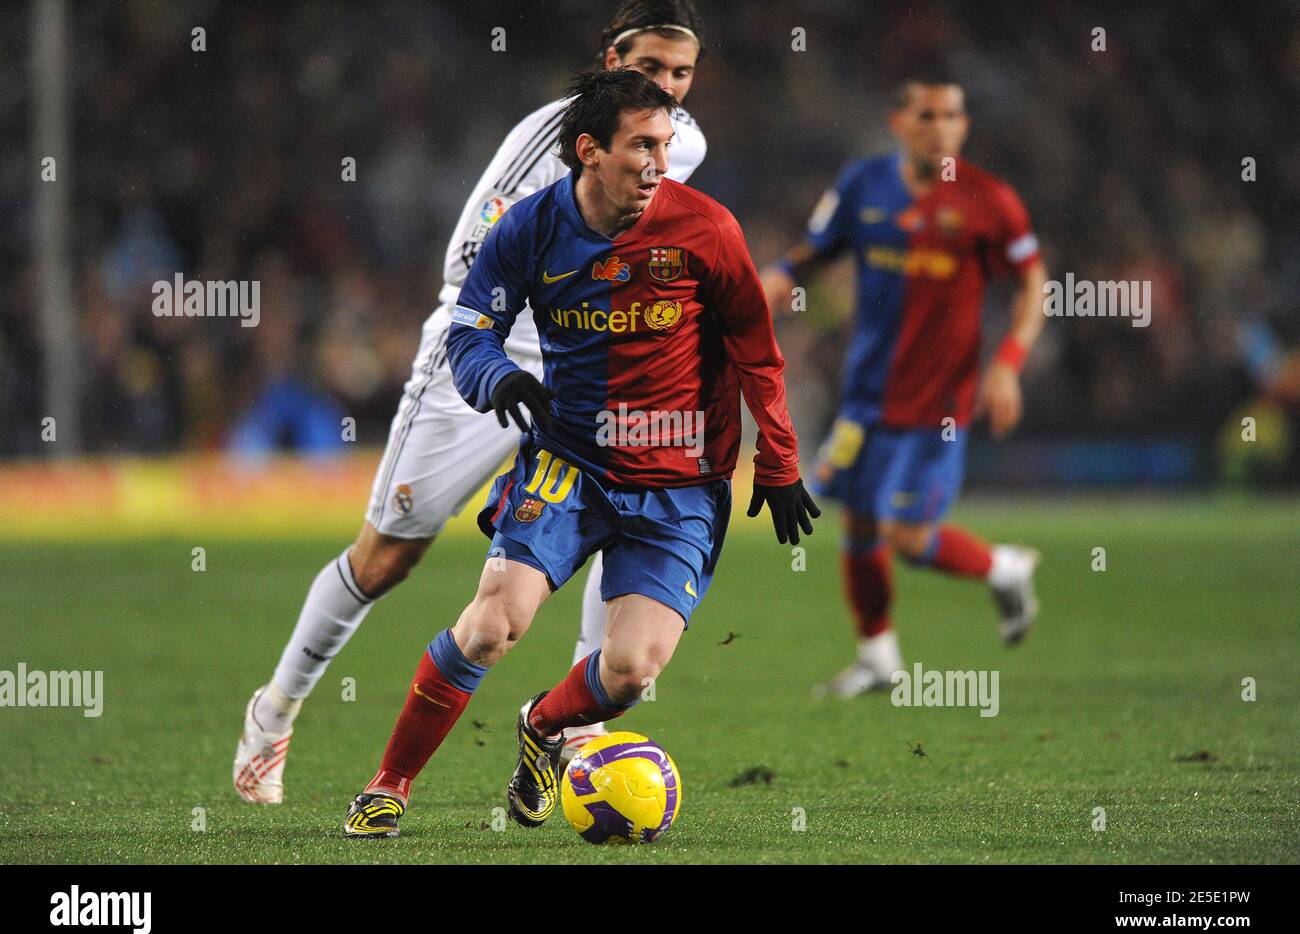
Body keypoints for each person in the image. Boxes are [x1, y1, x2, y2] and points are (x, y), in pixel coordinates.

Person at [234, 1, 711, 803]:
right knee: (387, 555)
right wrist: (503, 343)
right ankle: (275, 710)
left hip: (591, 357)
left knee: (623, 503)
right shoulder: (552, 133)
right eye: (648, 68)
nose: (664, 85)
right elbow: (468, 256)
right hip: (493, 353)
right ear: (609, 59)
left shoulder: (684, 142)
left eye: (680, 73)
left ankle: (576, 731)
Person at [342, 68, 818, 837]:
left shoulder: (708, 228)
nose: (658, 163)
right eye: (640, 145)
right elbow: (469, 330)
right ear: (589, 151)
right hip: (571, 461)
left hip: (681, 481)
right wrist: (496, 377)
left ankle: (542, 725)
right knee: (493, 622)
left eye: (664, 144)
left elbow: (758, 353)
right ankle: (388, 783)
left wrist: (780, 460)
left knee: (631, 671)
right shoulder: (529, 227)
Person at [759, 73, 1048, 697]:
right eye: (926, 115)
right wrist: (780, 274)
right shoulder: (863, 185)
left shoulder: (988, 200)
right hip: (867, 396)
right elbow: (816, 250)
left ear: (965, 126)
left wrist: (1008, 363)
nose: (940, 127)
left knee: (908, 536)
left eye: (951, 115)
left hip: (938, 402)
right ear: (898, 123)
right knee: (860, 524)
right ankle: (878, 659)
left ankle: (1004, 567)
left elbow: (1033, 282)